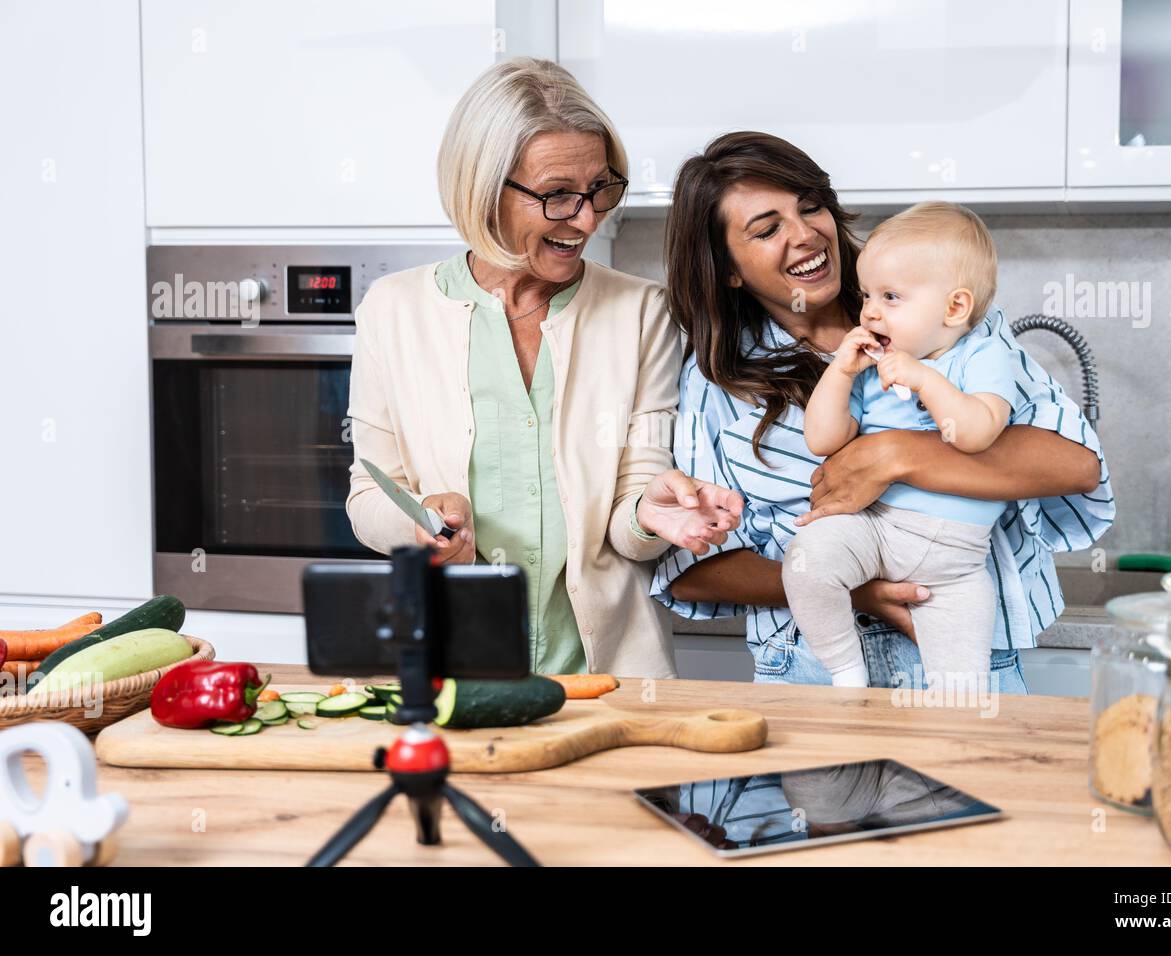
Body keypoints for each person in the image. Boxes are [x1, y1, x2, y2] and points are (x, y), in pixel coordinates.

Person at [652, 131, 1114, 693]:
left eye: (810, 206)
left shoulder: (947, 324)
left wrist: (894, 455)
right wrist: (853, 587)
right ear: (728, 268)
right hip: (812, 663)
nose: (804, 235)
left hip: (966, 648)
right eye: (767, 229)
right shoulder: (715, 380)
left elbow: (1075, 465)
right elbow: (692, 572)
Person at [345, 58, 741, 678]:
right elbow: (369, 492)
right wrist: (419, 522)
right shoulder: (393, 310)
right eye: (557, 194)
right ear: (483, 188)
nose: (586, 218)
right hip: (450, 673)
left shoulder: (642, 312)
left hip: (606, 676)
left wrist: (651, 514)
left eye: (601, 189)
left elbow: (630, 517)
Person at [786, 201, 1016, 691]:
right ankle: (845, 672)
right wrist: (841, 372)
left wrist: (925, 381)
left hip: (957, 567)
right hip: (878, 530)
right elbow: (823, 439)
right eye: (867, 294)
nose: (869, 311)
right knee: (809, 558)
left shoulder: (984, 355)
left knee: (962, 694)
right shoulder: (878, 363)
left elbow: (977, 432)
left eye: (891, 296)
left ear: (954, 308)